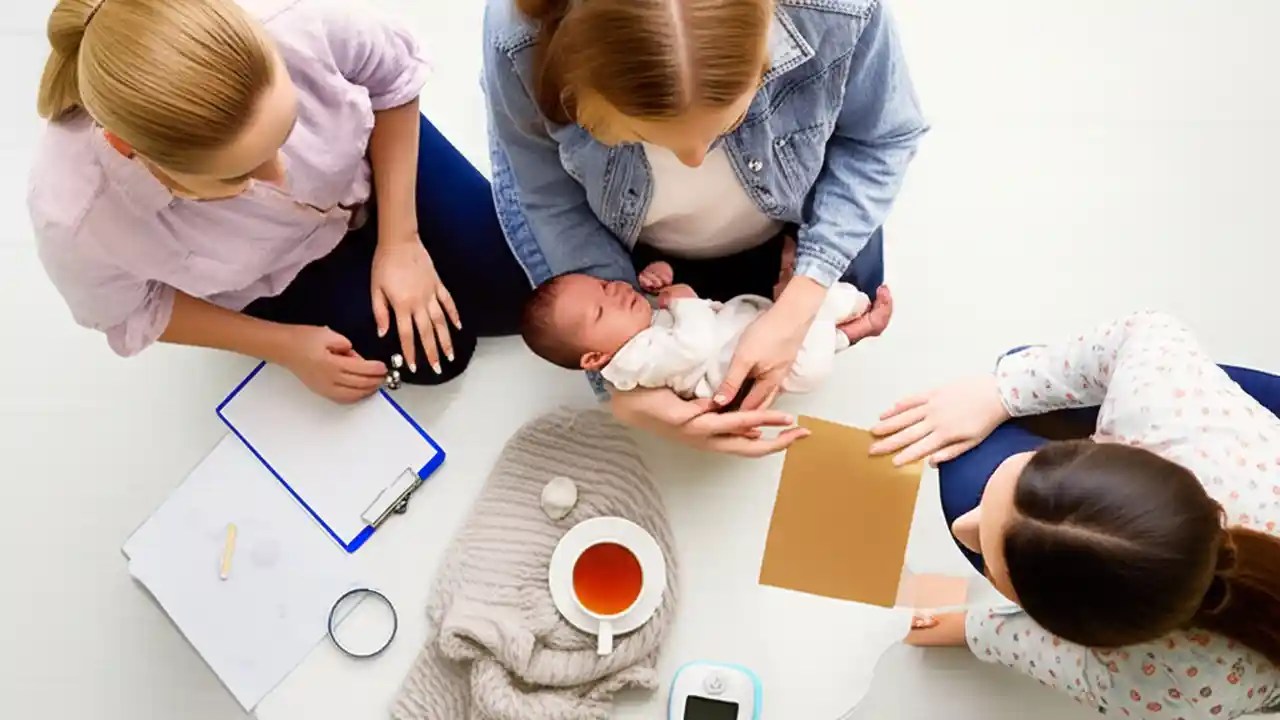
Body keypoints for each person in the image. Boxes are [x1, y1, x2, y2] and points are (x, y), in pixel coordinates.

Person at [483, 0, 925, 456]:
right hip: (645, 262)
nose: (695, 159)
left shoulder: (834, 10)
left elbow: (882, 138)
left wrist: (801, 301)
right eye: (646, 136)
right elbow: (548, 196)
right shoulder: (521, 36)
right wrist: (626, 384)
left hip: (804, 229)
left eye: (730, 120)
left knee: (848, 303)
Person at [31, 0, 529, 402]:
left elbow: (391, 81)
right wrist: (286, 348)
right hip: (277, 276)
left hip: (373, 166)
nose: (282, 175)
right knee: (442, 358)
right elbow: (133, 312)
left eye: (287, 130)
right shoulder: (76, 218)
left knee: (526, 292)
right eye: (239, 176)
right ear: (130, 153)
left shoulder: (296, 19)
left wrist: (400, 239)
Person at [872, 311, 1280, 718]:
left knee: (967, 473)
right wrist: (1002, 391)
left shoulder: (1166, 690)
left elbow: (1061, 659)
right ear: (1107, 446)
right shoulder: (1164, 405)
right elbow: (1144, 329)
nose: (964, 527)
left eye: (997, 571)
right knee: (1023, 364)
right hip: (1245, 444)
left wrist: (969, 629)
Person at [518, 267, 878, 400]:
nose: (615, 291)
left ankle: (850, 323)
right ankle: (849, 312)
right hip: (762, 366)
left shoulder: (631, 329)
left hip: (747, 331)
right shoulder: (634, 361)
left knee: (817, 326)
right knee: (815, 332)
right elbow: (694, 345)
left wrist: (659, 276)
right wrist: (684, 300)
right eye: (600, 309)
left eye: (603, 284)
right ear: (595, 359)